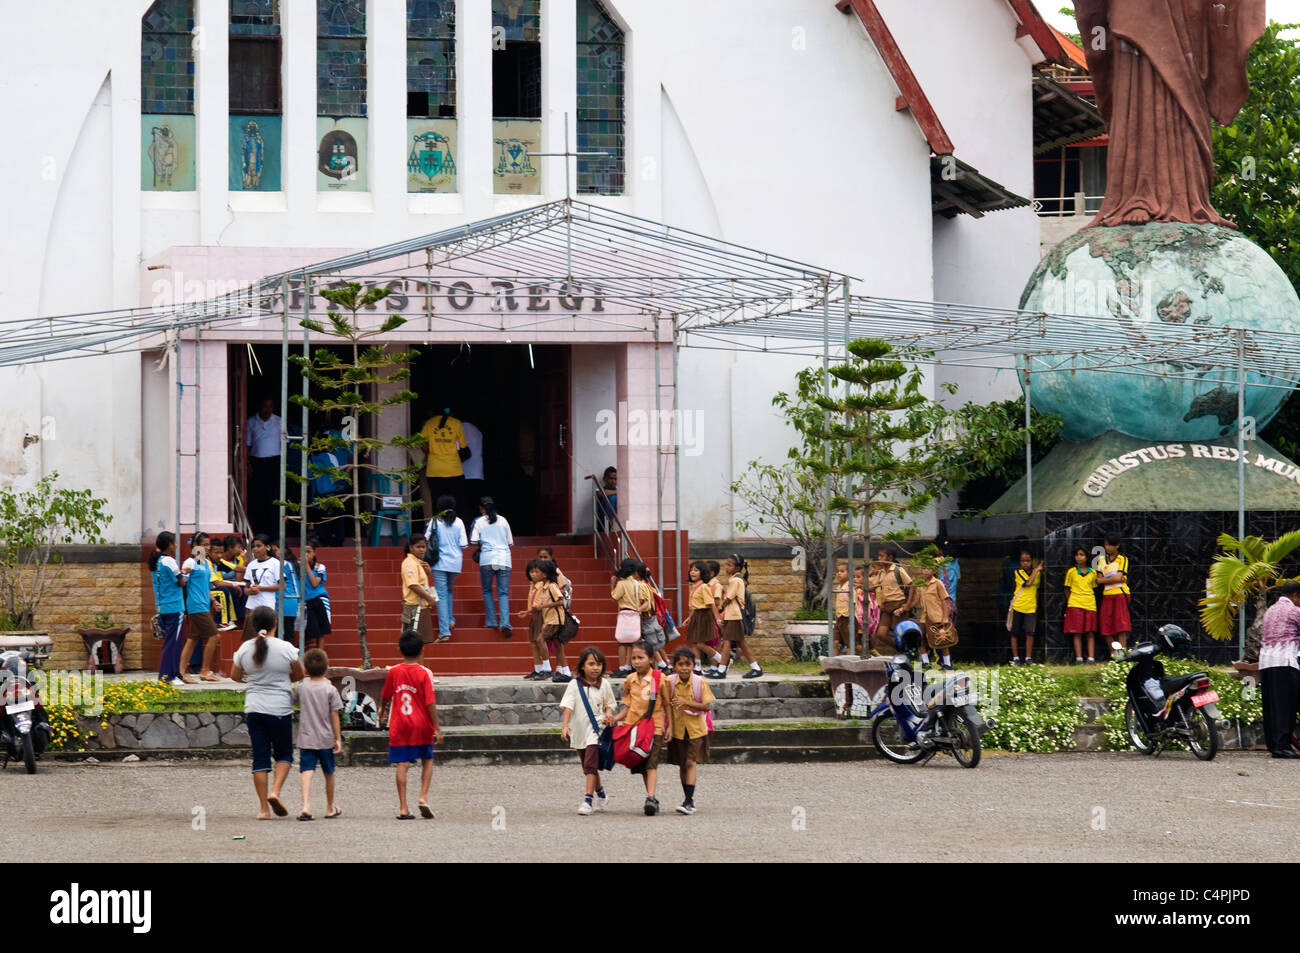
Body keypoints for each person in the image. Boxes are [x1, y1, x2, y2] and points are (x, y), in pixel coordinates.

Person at [1073, 0, 1265, 228]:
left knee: (1187, 88)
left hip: (1186, 12)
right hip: (1136, 12)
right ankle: (1136, 195)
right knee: (1138, 89)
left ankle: (1190, 198)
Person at [231, 606, 304, 820]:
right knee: (284, 755)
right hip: (279, 707)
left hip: (254, 707)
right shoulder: (285, 647)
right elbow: (298, 673)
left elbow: (235, 676)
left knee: (260, 759)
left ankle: (263, 809)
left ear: (254, 625)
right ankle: (275, 792)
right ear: (275, 623)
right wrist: (281, 682)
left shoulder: (245, 648)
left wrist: (254, 680)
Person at [379, 629, 444, 819]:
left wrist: (382, 711)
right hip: (421, 723)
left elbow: (385, 695)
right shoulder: (425, 673)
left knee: (403, 763)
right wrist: (437, 728)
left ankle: (403, 807)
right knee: (428, 758)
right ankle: (423, 797)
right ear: (422, 650)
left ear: (400, 650)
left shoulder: (394, 672)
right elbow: (429, 702)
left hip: (399, 722)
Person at [613, 641, 671, 816]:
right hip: (634, 728)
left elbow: (668, 705)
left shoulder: (660, 679)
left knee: (652, 762)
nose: (637, 662)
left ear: (651, 659)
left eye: (641, 658)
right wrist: (614, 719)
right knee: (644, 765)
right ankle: (651, 797)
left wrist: (670, 727)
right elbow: (628, 706)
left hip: (655, 728)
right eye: (634, 658)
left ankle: (650, 797)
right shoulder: (630, 680)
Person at [559, 646, 617, 815]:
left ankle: (587, 800)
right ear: (582, 666)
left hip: (596, 730)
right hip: (579, 731)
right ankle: (602, 794)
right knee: (588, 767)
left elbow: (610, 704)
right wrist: (565, 726)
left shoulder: (604, 684)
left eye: (599, 664)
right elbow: (568, 706)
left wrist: (608, 715)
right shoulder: (574, 685)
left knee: (591, 765)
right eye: (591, 664)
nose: (595, 668)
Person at [293, 648, 343, 820]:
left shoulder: (301, 688)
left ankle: (305, 805)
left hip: (306, 738)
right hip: (325, 738)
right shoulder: (330, 689)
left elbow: (292, 702)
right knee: (329, 772)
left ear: (305, 669)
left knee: (306, 771)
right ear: (326, 668)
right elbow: (334, 714)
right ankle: (329, 807)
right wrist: (338, 738)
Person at [665, 646, 715, 815]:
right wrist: (669, 727)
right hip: (678, 730)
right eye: (680, 664)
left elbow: (706, 706)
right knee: (682, 764)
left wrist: (687, 702)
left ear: (694, 665)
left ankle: (689, 801)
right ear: (674, 666)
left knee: (690, 762)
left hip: (696, 730)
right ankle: (687, 798)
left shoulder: (699, 682)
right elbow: (667, 706)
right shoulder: (670, 682)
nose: (684, 668)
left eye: (688, 664)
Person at [1259, 581, 1300, 758]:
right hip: (1285, 661)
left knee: (1271, 706)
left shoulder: (1270, 611)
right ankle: (1283, 746)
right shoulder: (1294, 611)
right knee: (1286, 705)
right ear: (1296, 595)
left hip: (1266, 663)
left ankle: (1274, 745)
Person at [706, 555, 762, 680]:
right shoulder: (736, 579)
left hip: (734, 615)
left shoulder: (735, 580)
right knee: (739, 642)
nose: (726, 567)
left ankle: (721, 670)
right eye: (726, 564)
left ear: (737, 568)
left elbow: (728, 598)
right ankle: (756, 668)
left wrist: (720, 609)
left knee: (727, 642)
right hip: (733, 615)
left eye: (729, 565)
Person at [179, 533, 225, 684]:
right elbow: (184, 574)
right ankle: (205, 671)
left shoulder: (205, 564)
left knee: (192, 639)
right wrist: (183, 573)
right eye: (204, 544)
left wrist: (213, 601)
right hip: (196, 605)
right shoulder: (190, 562)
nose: (207, 547)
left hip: (204, 604)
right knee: (214, 636)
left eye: (208, 544)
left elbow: (205, 587)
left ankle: (181, 673)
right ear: (195, 546)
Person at [424, 494, 467, 644]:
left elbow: (426, 539)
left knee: (440, 595)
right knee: (448, 591)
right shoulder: (459, 522)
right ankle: (450, 620)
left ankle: (444, 632)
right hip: (455, 563)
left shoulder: (435, 521)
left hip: (439, 562)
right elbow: (464, 544)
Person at [471, 497, 513, 638]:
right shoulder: (503, 520)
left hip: (487, 559)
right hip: (504, 558)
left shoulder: (479, 522)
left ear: (482, 508)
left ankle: (491, 621)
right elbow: (510, 542)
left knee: (487, 590)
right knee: (503, 593)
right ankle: (505, 623)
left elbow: (473, 540)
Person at [420, 408, 468, 525]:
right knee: (458, 502)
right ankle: (457, 529)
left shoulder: (429, 423)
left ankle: (438, 530)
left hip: (434, 469)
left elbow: (421, 442)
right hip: (454, 469)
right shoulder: (456, 423)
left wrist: (429, 453)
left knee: (437, 502)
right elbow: (463, 446)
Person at [149, 532, 185, 685]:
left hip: (162, 607)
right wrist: (185, 576)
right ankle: (166, 677)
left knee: (171, 641)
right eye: (175, 542)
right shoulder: (169, 561)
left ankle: (173, 674)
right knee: (173, 643)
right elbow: (181, 582)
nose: (176, 545)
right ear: (170, 545)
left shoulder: (157, 561)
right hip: (175, 607)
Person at [247, 397, 282, 536]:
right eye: (264, 406)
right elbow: (247, 445)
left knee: (274, 498)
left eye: (270, 406)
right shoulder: (251, 422)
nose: (267, 409)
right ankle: (259, 531)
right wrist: (247, 463)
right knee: (259, 498)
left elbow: (285, 443)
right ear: (260, 407)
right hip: (258, 463)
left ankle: (274, 532)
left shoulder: (279, 421)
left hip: (274, 462)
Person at [869, 550, 913, 656]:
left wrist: (907, 604)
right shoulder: (881, 572)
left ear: (890, 558)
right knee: (881, 634)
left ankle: (904, 654)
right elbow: (873, 587)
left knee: (898, 632)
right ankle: (904, 649)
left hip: (898, 604)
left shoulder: (898, 570)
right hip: (887, 607)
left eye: (881, 556)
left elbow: (912, 586)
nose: (879, 558)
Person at [534, 559, 572, 683]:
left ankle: (547, 668)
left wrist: (543, 607)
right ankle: (565, 672)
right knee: (558, 645)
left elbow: (561, 601)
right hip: (551, 619)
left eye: (538, 572)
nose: (536, 574)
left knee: (540, 639)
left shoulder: (551, 586)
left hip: (555, 620)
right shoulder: (544, 588)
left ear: (544, 574)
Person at [243, 535, 283, 643]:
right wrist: (250, 591)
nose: (255, 549)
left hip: (267, 607)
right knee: (250, 641)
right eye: (253, 546)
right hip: (251, 607)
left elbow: (282, 586)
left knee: (266, 640)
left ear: (267, 547)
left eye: (258, 546)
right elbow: (245, 588)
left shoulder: (275, 563)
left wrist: (262, 588)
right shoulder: (251, 565)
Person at [1064, 547, 1100, 664]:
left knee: (1090, 632)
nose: (1079, 557)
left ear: (1087, 557)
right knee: (1077, 632)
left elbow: (1095, 588)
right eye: (1077, 555)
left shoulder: (1093, 572)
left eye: (1082, 554)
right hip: (1075, 604)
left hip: (1090, 604)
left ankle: (1091, 658)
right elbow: (1067, 589)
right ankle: (1079, 658)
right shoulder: (1071, 572)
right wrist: (1072, 602)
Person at [401, 537, 439, 644]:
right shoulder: (410, 563)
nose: (422, 549)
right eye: (418, 547)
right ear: (411, 548)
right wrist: (430, 598)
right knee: (414, 645)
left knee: (421, 643)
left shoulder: (418, 562)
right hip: (415, 608)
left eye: (424, 547)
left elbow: (421, 583)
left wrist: (427, 573)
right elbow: (412, 585)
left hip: (422, 606)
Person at [917, 564, 954, 671]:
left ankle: (947, 664)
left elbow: (944, 600)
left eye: (928, 568)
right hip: (924, 617)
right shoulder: (921, 584)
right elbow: (916, 599)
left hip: (937, 616)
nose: (925, 570)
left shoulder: (937, 583)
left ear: (934, 571)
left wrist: (945, 617)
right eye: (924, 568)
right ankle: (926, 662)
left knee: (942, 640)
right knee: (920, 639)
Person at [1098, 534, 1132, 650]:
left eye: (1110, 545)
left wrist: (1106, 579)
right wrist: (1115, 578)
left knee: (1121, 625)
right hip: (1107, 595)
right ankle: (1114, 654)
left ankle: (1122, 653)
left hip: (1120, 594)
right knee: (1105, 625)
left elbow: (1118, 578)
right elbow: (1098, 579)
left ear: (1117, 546)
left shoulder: (1122, 559)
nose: (1107, 547)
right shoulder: (1101, 560)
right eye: (1106, 545)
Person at [611, 558, 644, 676]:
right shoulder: (637, 584)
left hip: (624, 614)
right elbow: (642, 599)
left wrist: (612, 584)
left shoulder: (621, 584)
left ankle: (622, 668)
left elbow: (614, 597)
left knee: (621, 641)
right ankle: (628, 665)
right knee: (632, 641)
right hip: (635, 614)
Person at [1009, 551, 1041, 665]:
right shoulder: (1018, 572)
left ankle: (1028, 658)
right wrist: (1037, 570)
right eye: (1023, 561)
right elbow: (1028, 583)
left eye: (1028, 561)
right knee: (1015, 632)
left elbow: (1036, 589)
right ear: (1020, 562)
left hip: (1031, 607)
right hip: (1018, 605)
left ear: (1032, 561)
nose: (1026, 563)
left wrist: (1036, 604)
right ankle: (1016, 658)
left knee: (1030, 632)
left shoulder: (1037, 574)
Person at [684, 561, 716, 673]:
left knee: (700, 643)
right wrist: (689, 617)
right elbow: (693, 606)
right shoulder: (693, 586)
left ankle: (722, 660)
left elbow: (711, 604)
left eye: (696, 570)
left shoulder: (704, 587)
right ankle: (697, 667)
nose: (692, 572)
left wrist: (717, 619)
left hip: (703, 615)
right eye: (691, 570)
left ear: (702, 573)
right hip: (696, 615)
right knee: (693, 642)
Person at [302, 539, 331, 650]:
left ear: (314, 553)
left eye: (308, 552)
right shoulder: (297, 567)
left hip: (320, 599)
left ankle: (320, 655)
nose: (306, 555)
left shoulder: (320, 567)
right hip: (305, 600)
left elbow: (314, 583)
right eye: (304, 552)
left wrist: (307, 567)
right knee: (309, 629)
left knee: (321, 630)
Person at [278, 544, 301, 648]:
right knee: (284, 634)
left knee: (286, 635)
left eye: (276, 550)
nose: (275, 553)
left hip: (286, 601)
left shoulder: (285, 564)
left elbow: (293, 585)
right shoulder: (288, 564)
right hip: (283, 602)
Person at [588, 466, 618, 533]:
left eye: (616, 479)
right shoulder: (599, 490)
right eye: (611, 478)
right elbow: (602, 493)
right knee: (613, 498)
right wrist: (619, 492)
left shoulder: (619, 492)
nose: (613, 481)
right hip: (604, 524)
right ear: (604, 479)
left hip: (617, 523)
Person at [936, 540, 960, 619]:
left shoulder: (939, 562)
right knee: (951, 626)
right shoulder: (956, 563)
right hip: (952, 601)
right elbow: (959, 577)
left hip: (943, 600)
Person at [832, 561, 851, 655]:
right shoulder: (838, 587)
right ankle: (833, 664)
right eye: (837, 571)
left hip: (847, 618)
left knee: (849, 644)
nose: (839, 573)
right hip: (839, 618)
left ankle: (849, 664)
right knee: (834, 642)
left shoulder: (850, 586)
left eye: (842, 571)